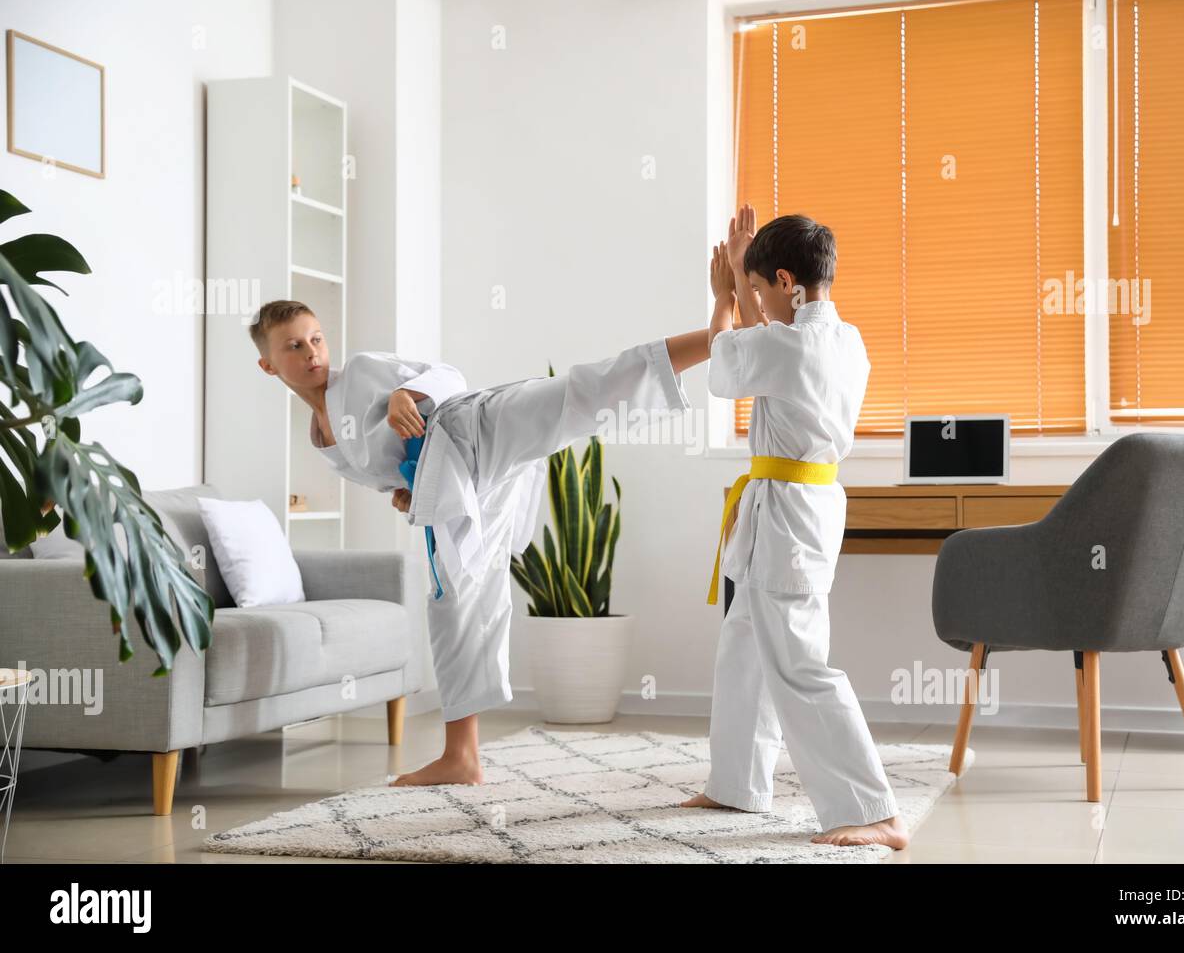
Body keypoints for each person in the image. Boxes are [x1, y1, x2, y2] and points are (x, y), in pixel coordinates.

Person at [250, 300, 709, 785]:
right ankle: (461, 757)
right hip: (453, 486)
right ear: (268, 364)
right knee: (453, 604)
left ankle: (718, 334)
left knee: (577, 395)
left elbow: (446, 376)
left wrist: (403, 394)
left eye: (316, 338)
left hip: (474, 427)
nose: (312, 352)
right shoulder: (321, 437)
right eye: (294, 346)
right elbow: (391, 471)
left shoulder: (362, 371)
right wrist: (405, 494)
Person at [680, 206, 910, 849]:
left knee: (801, 664)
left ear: (787, 281)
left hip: (790, 515)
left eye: (760, 290)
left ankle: (875, 810)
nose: (753, 302)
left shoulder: (792, 344)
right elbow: (761, 349)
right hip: (788, 507)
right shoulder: (843, 338)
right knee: (745, 647)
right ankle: (737, 784)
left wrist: (722, 296)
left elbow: (727, 367)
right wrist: (744, 283)